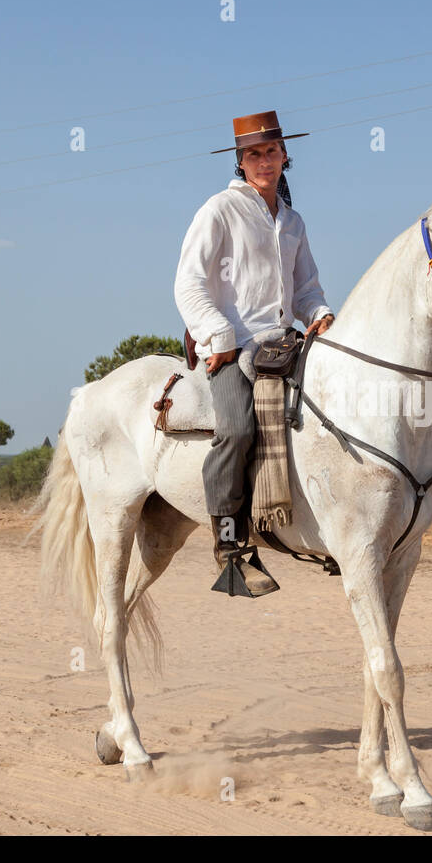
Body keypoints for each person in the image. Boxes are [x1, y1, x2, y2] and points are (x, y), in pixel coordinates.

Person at [174, 111, 335, 595]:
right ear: (241, 162)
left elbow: (305, 287)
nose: (264, 161)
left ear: (286, 156)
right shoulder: (219, 210)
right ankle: (230, 545)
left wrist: (320, 314)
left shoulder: (293, 222)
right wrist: (217, 335)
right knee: (239, 428)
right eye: (254, 154)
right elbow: (189, 283)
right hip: (232, 345)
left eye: (272, 152)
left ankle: (325, 531)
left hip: (283, 342)